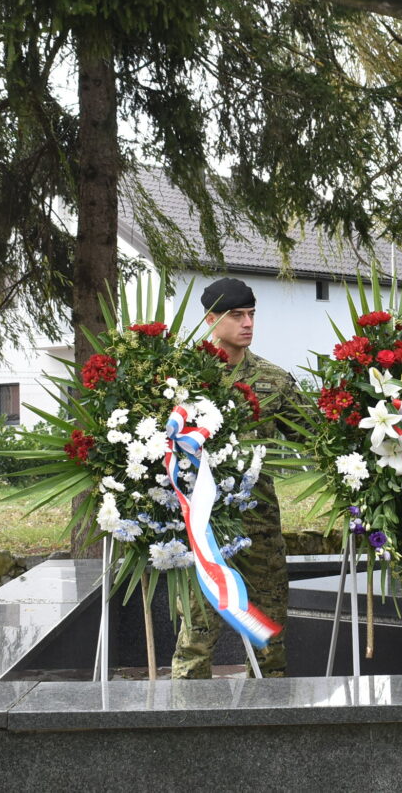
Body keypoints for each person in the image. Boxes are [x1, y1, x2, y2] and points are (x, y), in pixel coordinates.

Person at [171, 277, 294, 679]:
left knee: (269, 638)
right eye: (237, 315)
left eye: (252, 314)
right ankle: (186, 713)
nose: (248, 323)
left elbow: (316, 435)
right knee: (196, 639)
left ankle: (273, 712)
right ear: (211, 319)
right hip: (201, 530)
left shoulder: (274, 380)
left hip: (259, 527)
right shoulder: (182, 379)